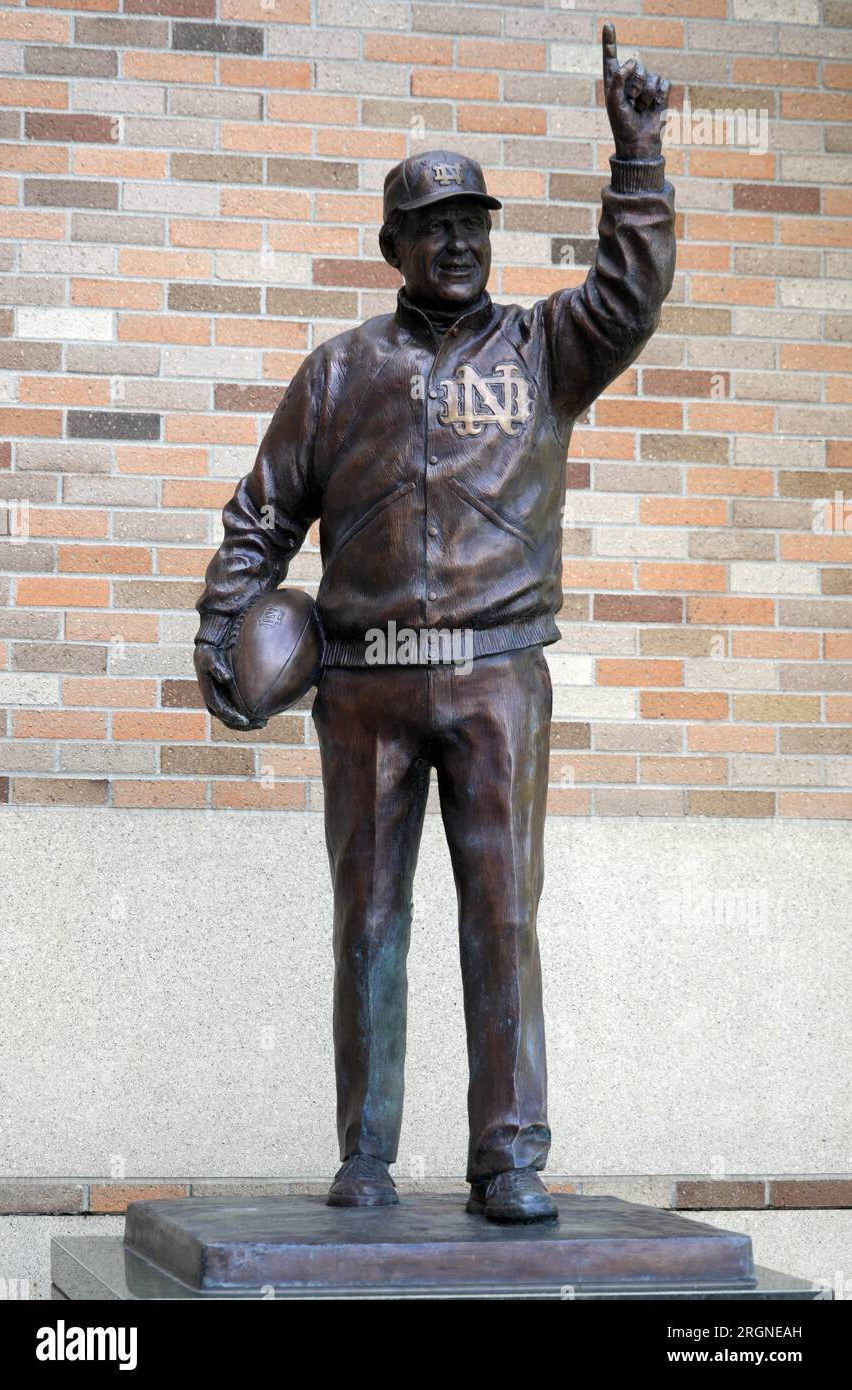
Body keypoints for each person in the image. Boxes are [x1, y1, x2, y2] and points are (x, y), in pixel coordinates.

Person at [194, 25, 676, 1224]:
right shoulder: (337, 371)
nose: (458, 239)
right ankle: (364, 1155)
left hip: (496, 679)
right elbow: (261, 516)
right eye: (433, 224)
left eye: (474, 221)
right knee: (367, 920)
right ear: (392, 246)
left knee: (502, 918)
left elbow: (629, 290)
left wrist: (637, 157)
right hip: (360, 689)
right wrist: (221, 627)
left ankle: (508, 1155)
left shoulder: (544, 349)